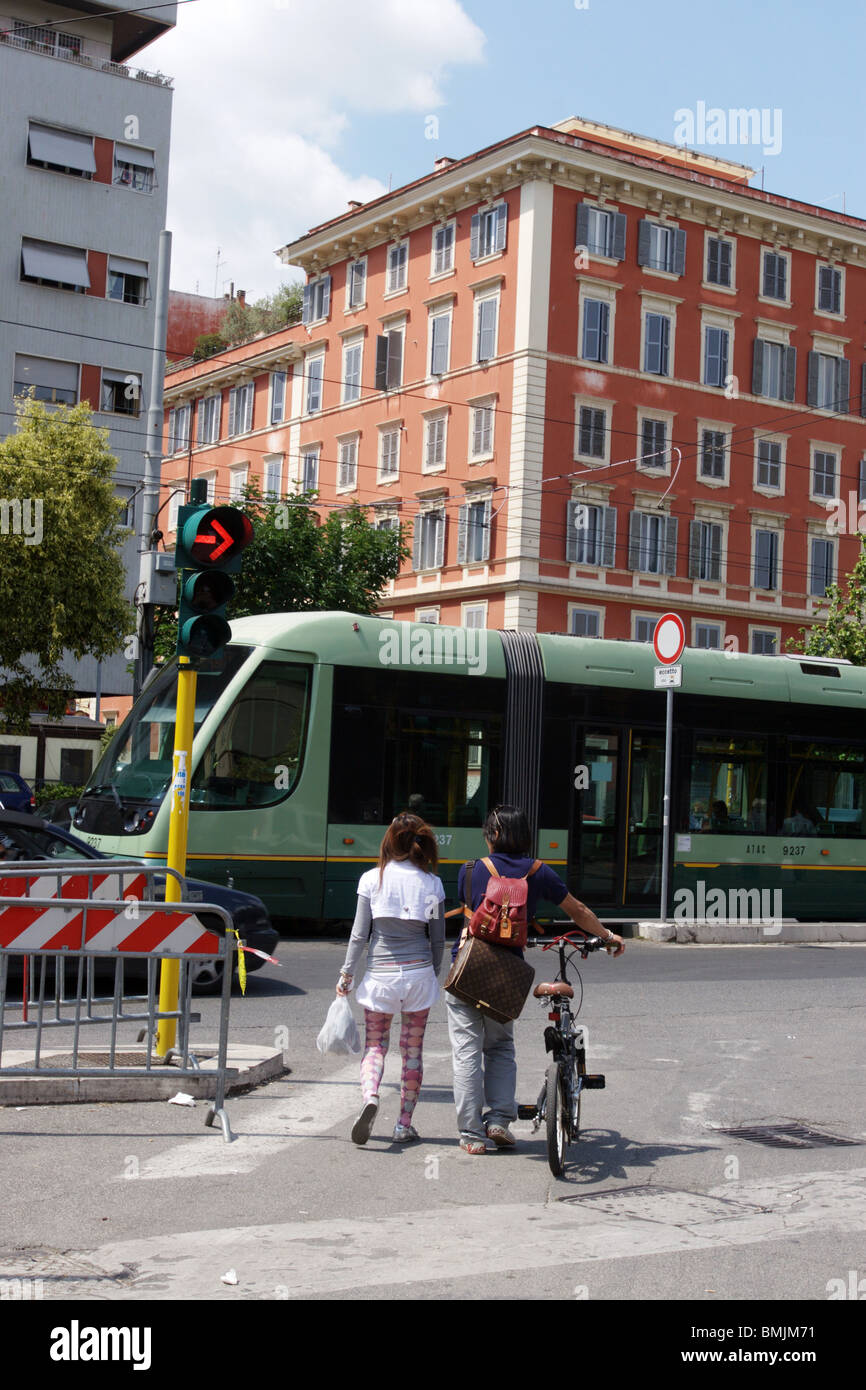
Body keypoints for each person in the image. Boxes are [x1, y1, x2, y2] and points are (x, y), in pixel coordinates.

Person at [446, 804, 625, 1156]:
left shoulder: (470, 871)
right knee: (499, 1048)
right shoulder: (539, 872)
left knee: (467, 1052)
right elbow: (578, 911)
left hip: (467, 970)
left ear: (494, 836)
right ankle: (498, 1120)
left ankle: (470, 1134)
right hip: (506, 977)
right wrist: (607, 935)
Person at [337, 812, 445, 1146]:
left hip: (380, 979)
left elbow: (359, 936)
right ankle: (403, 1125)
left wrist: (346, 974)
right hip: (418, 977)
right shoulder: (432, 883)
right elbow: (438, 939)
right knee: (412, 1051)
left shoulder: (372, 879)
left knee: (375, 1046)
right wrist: (432, 972)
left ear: (389, 840)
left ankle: (370, 1095)